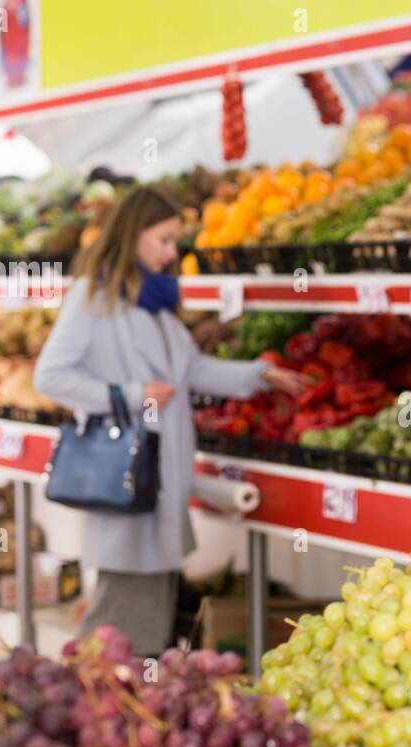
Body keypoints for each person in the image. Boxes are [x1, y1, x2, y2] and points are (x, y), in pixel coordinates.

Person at [35, 187, 308, 656]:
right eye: (163, 240)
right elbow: (51, 376)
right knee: (117, 623)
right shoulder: (94, 296)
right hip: (127, 476)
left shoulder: (156, 306)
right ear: (132, 234)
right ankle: (93, 707)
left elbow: (192, 371)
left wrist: (260, 375)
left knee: (146, 620)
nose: (171, 252)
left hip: (161, 481)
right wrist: (130, 395)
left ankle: (122, 710)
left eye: (174, 242)